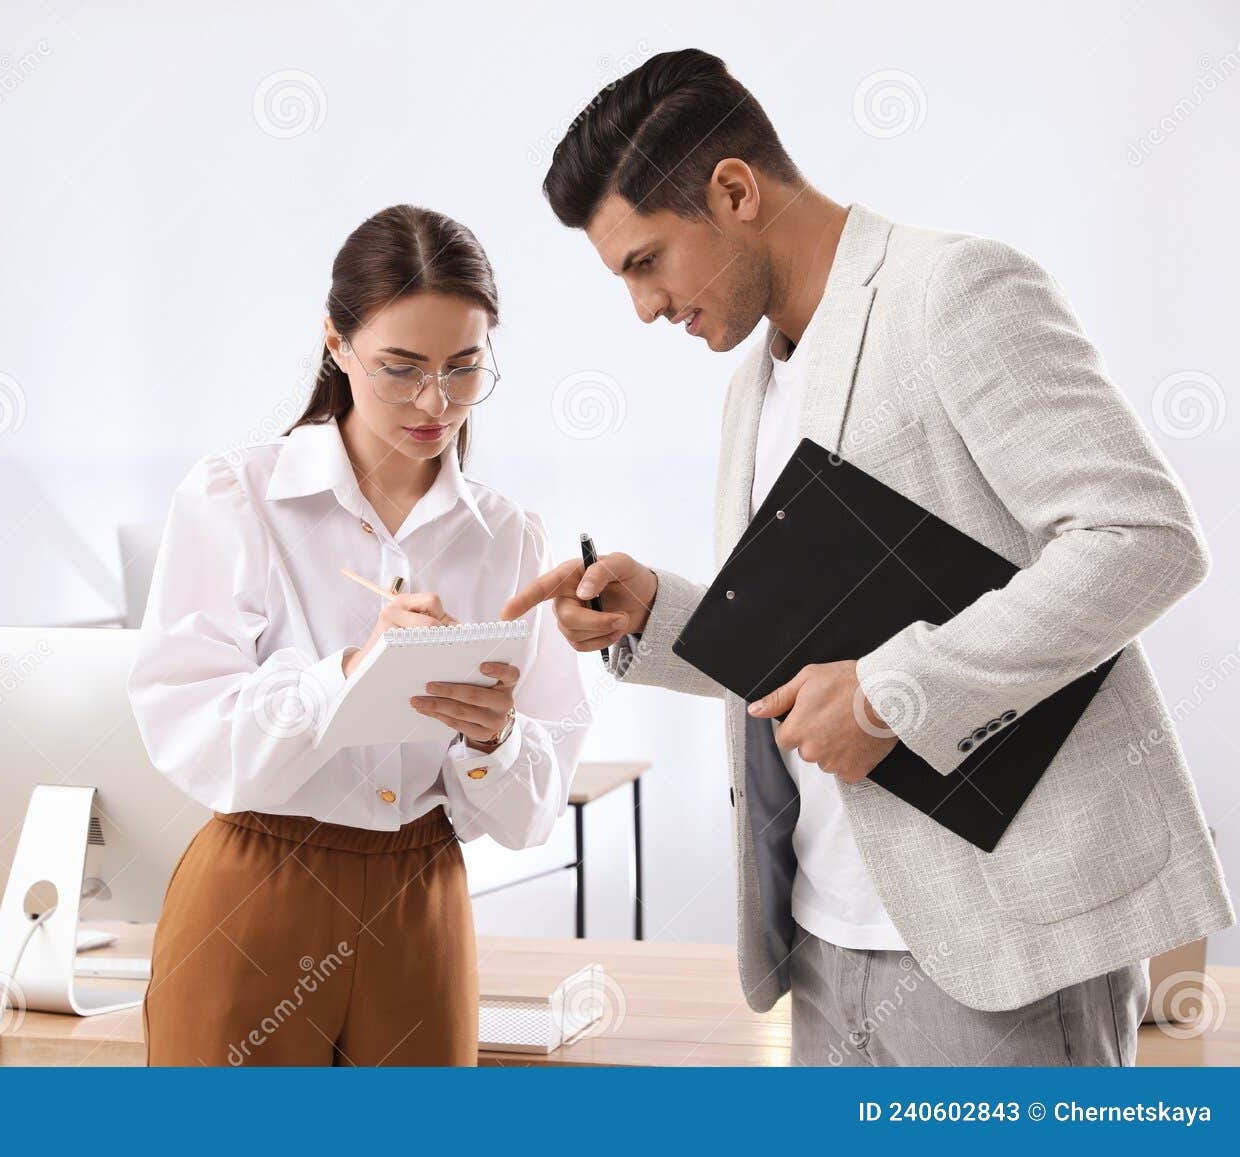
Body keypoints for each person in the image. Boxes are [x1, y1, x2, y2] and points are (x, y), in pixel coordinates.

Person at [502, 49, 1232, 1066]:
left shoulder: (953, 290)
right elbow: (820, 631)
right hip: (821, 945)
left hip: (993, 954)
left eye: (645, 260)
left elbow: (1139, 539)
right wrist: (653, 613)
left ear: (733, 189)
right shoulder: (751, 383)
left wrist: (893, 694)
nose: (643, 307)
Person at [128, 204, 590, 1066]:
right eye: (400, 368)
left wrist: (492, 736)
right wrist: (348, 673)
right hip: (256, 890)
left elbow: (531, 813)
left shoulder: (511, 539)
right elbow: (186, 731)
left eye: (463, 369)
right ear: (337, 345)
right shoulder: (237, 498)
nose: (434, 402)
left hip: (423, 902)